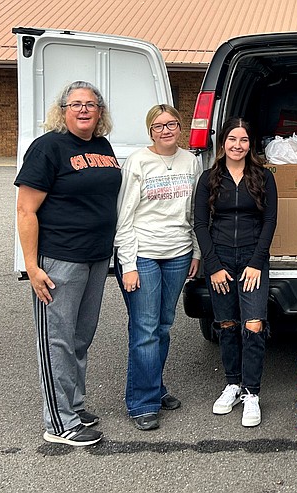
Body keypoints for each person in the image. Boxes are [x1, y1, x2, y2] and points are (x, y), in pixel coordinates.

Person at [15, 81, 121, 446]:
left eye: (91, 104)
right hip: (60, 257)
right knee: (57, 340)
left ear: (100, 111)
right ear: (63, 111)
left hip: (95, 257)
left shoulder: (102, 146)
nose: (84, 110)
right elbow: (26, 209)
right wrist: (32, 266)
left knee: (80, 337)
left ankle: (72, 406)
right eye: (75, 104)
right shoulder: (47, 148)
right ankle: (59, 424)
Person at [114, 104, 202, 430]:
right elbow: (123, 216)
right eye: (158, 126)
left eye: (172, 124)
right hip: (144, 255)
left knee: (163, 326)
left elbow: (193, 212)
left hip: (178, 254)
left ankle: (154, 385)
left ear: (181, 128)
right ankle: (142, 402)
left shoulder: (190, 161)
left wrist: (195, 252)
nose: (166, 131)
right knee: (145, 329)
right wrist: (128, 264)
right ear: (150, 130)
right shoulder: (138, 162)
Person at [194, 117, 277, 427]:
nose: (238, 145)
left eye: (243, 140)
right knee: (227, 323)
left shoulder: (264, 178)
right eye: (232, 139)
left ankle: (252, 394)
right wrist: (212, 266)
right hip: (221, 258)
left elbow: (269, 222)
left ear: (250, 144)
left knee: (254, 324)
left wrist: (257, 262)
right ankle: (232, 384)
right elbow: (201, 224)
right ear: (223, 143)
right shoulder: (209, 179)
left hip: (253, 258)